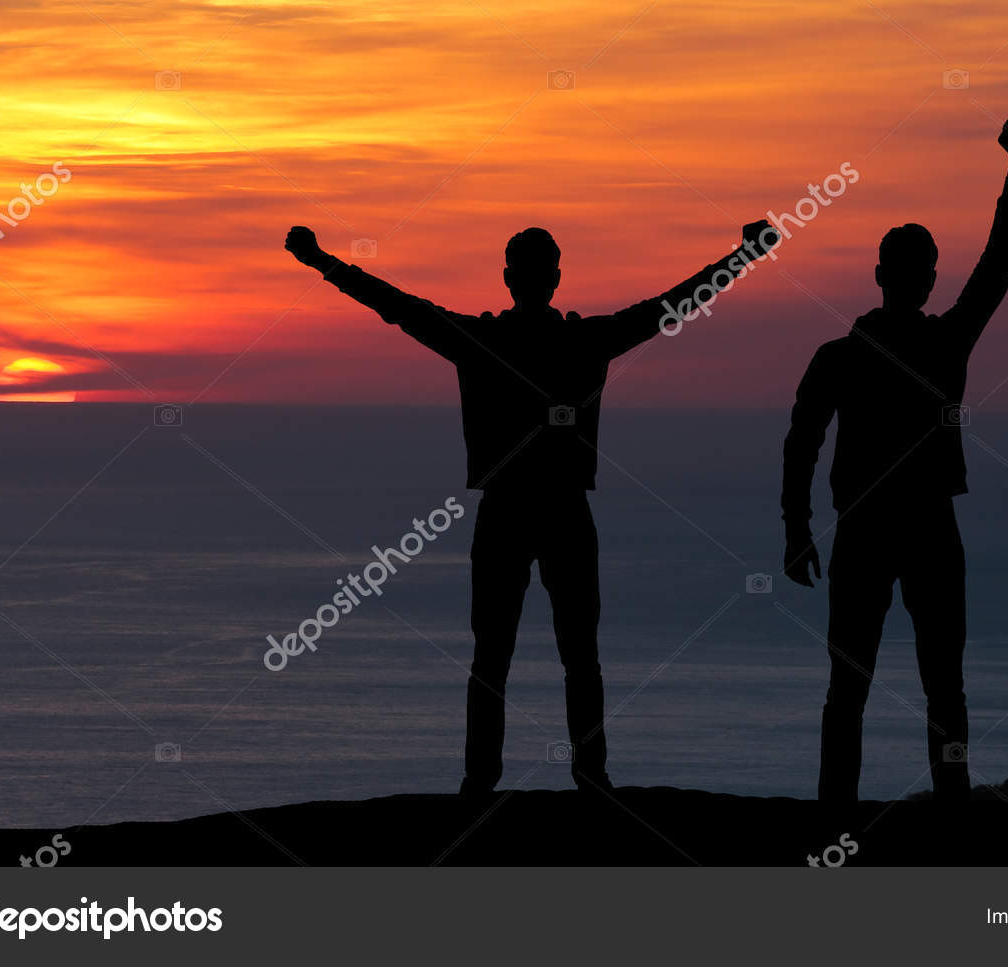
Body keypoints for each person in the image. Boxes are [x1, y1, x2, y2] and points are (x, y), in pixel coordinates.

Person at [285, 218, 777, 801]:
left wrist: (322, 262)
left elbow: (398, 307)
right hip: (560, 510)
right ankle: (583, 776)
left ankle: (487, 781)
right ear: (554, 279)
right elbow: (674, 305)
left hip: (511, 511)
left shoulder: (486, 340)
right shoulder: (579, 341)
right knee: (572, 656)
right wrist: (745, 256)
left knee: (499, 656)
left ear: (509, 278)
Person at [780, 118, 1008, 806]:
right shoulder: (934, 345)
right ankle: (943, 808)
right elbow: (997, 268)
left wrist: (796, 524)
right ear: (924, 281)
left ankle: (841, 812)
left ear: (882, 278)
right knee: (935, 686)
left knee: (858, 686)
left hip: (878, 529)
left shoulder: (846, 356)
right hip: (916, 528)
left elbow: (802, 441)